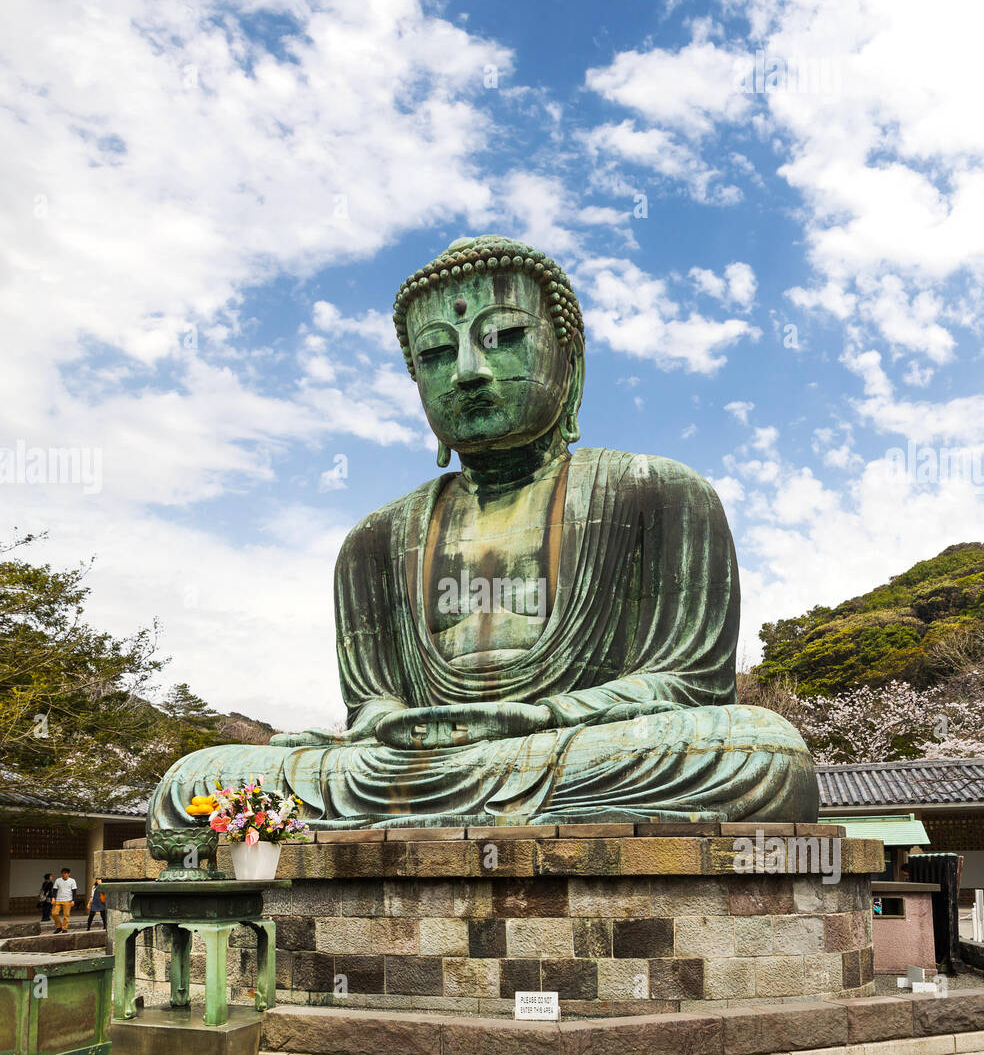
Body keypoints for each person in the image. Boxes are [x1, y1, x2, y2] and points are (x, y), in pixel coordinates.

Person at [148, 234, 818, 830]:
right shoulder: (375, 540)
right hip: (414, 766)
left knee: (759, 753)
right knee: (196, 782)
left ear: (570, 363)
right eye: (436, 353)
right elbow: (372, 709)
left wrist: (542, 718)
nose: (467, 371)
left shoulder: (658, 492)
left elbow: (691, 686)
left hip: (580, 749)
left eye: (503, 338)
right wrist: (389, 724)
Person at [51, 867, 77, 932]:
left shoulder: (72, 880)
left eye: (65, 873)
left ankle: (64, 928)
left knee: (66, 915)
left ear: (69, 874)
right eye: (62, 873)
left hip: (68, 900)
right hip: (58, 900)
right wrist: (53, 898)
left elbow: (74, 891)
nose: (64, 875)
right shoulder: (58, 880)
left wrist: (73, 900)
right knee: (54, 913)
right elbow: (54, 890)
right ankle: (59, 926)